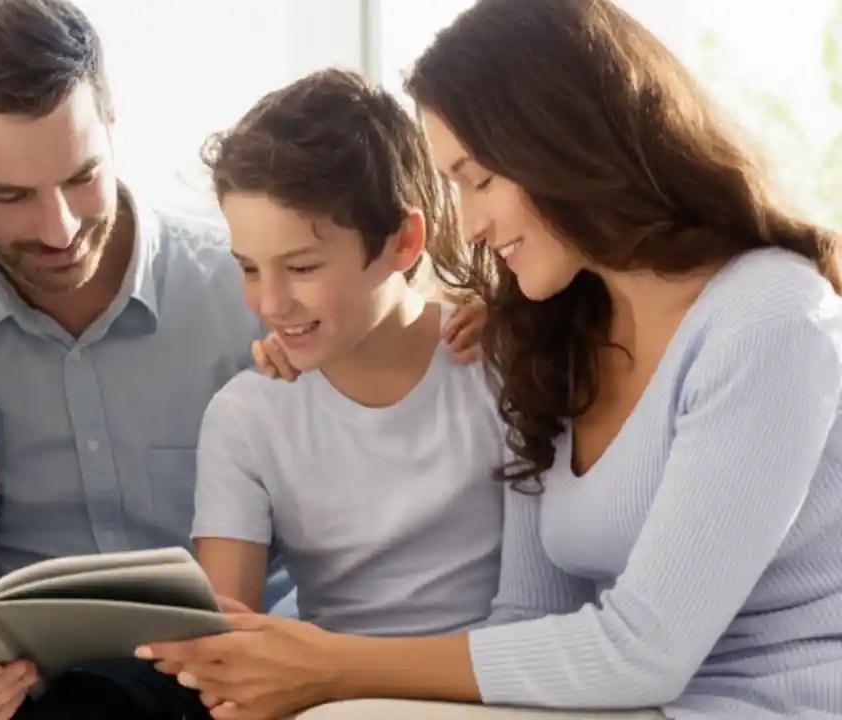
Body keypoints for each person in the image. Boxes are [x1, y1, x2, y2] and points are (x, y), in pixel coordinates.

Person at [139, 1, 842, 718]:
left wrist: (333, 666)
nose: (470, 225)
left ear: (565, 147)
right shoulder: (559, 340)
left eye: (478, 181)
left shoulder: (770, 316)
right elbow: (530, 614)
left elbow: (643, 651)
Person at [0, 2, 488, 720]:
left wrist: (507, 314)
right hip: (28, 688)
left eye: (82, 177)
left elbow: (391, 292)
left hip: (248, 666)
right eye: (12, 197)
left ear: (112, 122)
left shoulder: (249, 287)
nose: (60, 229)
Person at [186, 66, 504, 667]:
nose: (271, 304)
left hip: (496, 685)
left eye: (301, 267)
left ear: (403, 243)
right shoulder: (246, 416)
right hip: (331, 695)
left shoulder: (495, 362)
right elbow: (225, 636)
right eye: (250, 268)